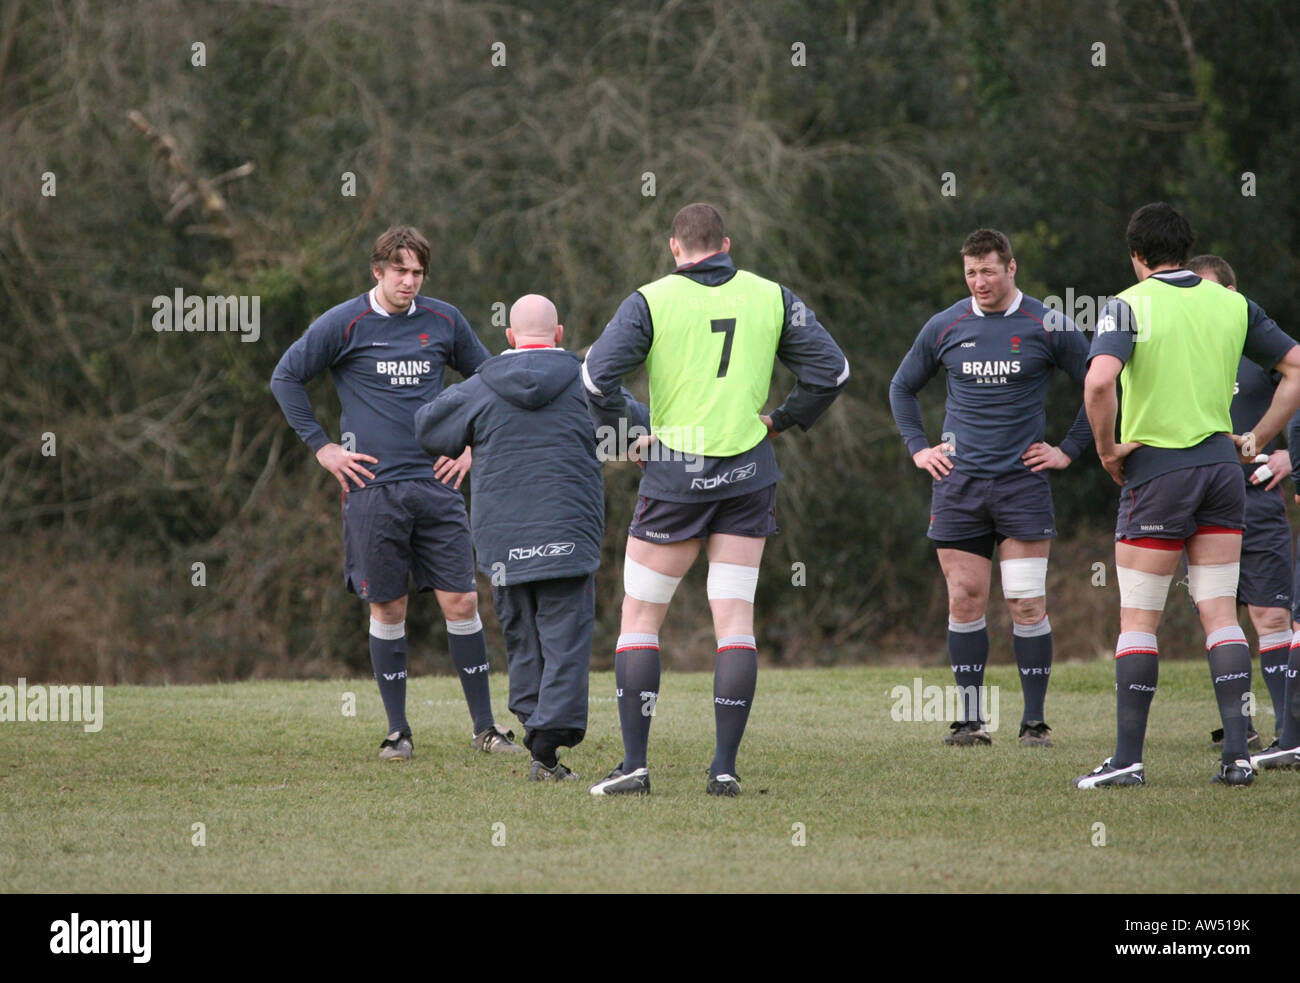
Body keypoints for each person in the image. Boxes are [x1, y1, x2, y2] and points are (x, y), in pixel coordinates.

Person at [581, 202, 849, 797]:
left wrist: (626, 433)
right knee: (734, 620)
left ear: (674, 248)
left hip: (676, 470)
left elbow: (597, 378)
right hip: (749, 470)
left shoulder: (651, 299)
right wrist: (780, 421)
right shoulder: (773, 295)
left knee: (641, 619)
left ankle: (635, 766)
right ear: (726, 243)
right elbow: (832, 373)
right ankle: (723, 768)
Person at [270, 225, 523, 761]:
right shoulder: (344, 323)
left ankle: (485, 728)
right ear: (377, 271)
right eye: (400, 271)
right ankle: (397, 732)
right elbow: (286, 377)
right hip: (371, 490)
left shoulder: (445, 319)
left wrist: (472, 446)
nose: (409, 281)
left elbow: (489, 381)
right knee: (389, 607)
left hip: (437, 487)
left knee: (463, 599)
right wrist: (323, 448)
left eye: (417, 273)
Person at [1077, 202, 1300, 789]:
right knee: (1221, 615)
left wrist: (1106, 449)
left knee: (1139, 619)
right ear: (1186, 246)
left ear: (1137, 256)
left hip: (1157, 473)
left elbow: (1099, 380)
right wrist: (1257, 437)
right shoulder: (1232, 303)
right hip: (1224, 473)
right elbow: (1297, 367)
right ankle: (1236, 757)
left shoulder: (1128, 303)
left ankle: (1128, 760)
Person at [414, 294, 648, 781]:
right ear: (558, 334)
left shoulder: (481, 386)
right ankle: (546, 740)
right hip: (569, 533)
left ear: (510, 337)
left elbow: (429, 428)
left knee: (520, 637)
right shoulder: (588, 384)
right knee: (564, 639)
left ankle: (535, 729)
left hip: (504, 542)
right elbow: (634, 429)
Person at [889, 229, 1093, 748]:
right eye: (971, 273)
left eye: (989, 271)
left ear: (1012, 268)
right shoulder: (947, 325)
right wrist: (919, 447)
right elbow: (901, 386)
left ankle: (1033, 722)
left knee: (1025, 602)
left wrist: (1069, 448)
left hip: (1022, 487)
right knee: (965, 599)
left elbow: (1101, 384)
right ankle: (972, 720)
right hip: (958, 487)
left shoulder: (1048, 324)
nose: (979, 282)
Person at [1185, 255, 1293, 750]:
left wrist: (1288, 456)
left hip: (1258, 498)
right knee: (1219, 617)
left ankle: (1287, 734)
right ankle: (1238, 727)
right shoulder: (1183, 354)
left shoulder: (1265, 352)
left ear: (1235, 294)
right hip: (1201, 502)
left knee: (1271, 616)